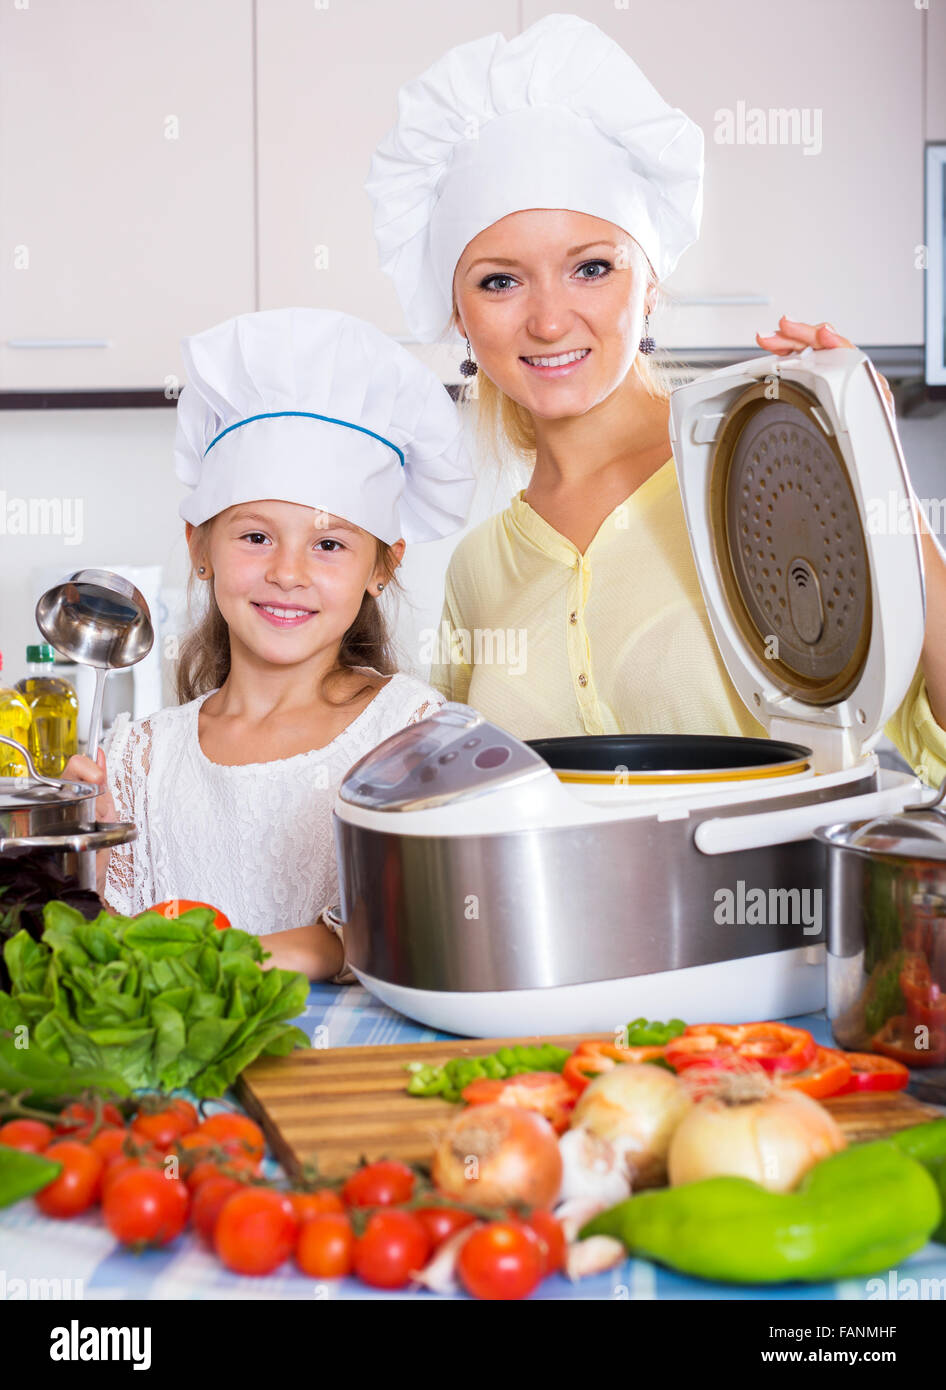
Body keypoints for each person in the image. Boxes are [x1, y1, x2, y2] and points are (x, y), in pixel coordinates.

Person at [365, 13, 946, 785]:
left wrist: (873, 477)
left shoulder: (767, 479)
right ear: (459, 316)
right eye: (499, 280)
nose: (547, 319)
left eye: (591, 268)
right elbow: (463, 806)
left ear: (650, 284)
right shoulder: (479, 571)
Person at [62, 307, 474, 977]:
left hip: (344, 1072)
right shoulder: (137, 759)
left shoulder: (416, 737)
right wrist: (83, 864)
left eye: (330, 544)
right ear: (201, 547)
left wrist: (236, 958)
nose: (287, 572)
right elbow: (108, 957)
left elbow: (419, 929)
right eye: (256, 537)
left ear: (382, 568)